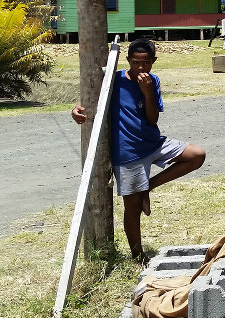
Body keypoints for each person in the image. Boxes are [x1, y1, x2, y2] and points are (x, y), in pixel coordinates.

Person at [71, 38, 205, 265]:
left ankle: (147, 188)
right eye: (135, 63)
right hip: (128, 151)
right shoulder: (114, 81)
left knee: (197, 155)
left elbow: (152, 119)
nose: (141, 68)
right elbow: (89, 102)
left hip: (153, 142)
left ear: (153, 61)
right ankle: (137, 255)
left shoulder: (153, 81)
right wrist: (76, 111)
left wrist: (147, 92)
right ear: (128, 60)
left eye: (146, 63)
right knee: (132, 209)